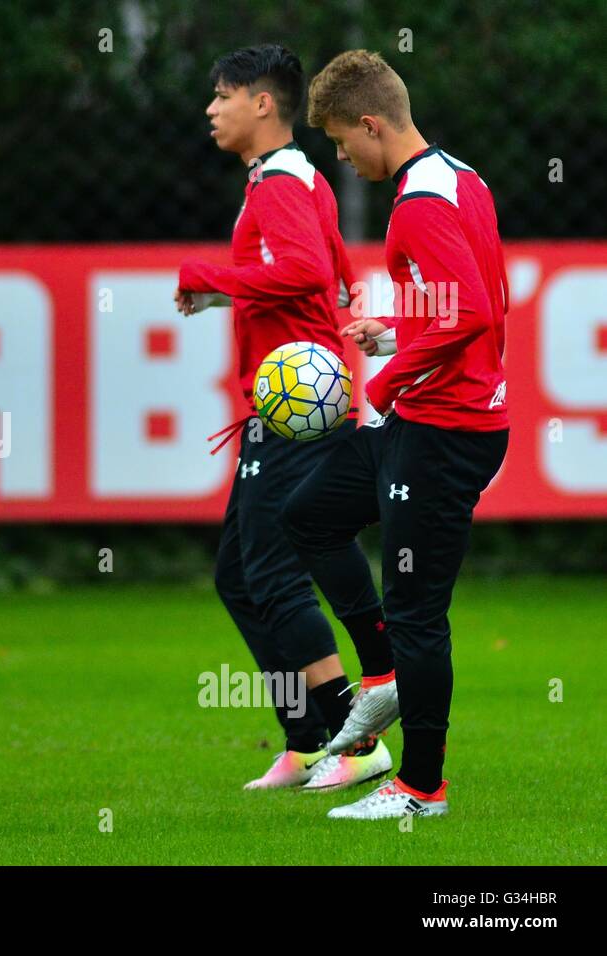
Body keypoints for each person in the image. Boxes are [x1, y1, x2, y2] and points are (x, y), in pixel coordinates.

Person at [284, 50, 508, 818]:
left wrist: (383, 378)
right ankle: (378, 681)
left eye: (344, 143)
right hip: (427, 414)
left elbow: (473, 314)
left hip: (445, 429)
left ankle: (421, 788)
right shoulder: (459, 177)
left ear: (372, 123)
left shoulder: (417, 205)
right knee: (309, 513)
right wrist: (400, 331)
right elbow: (467, 302)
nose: (342, 158)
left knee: (416, 609)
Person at [175, 45, 389, 791]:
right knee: (239, 576)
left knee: (270, 572)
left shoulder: (280, 183)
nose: (212, 108)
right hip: (293, 403)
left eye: (223, 93)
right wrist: (229, 295)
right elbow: (329, 276)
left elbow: (301, 272)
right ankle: (306, 741)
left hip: (297, 412)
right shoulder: (296, 178)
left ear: (262, 104)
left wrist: (208, 276)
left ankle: (354, 741)